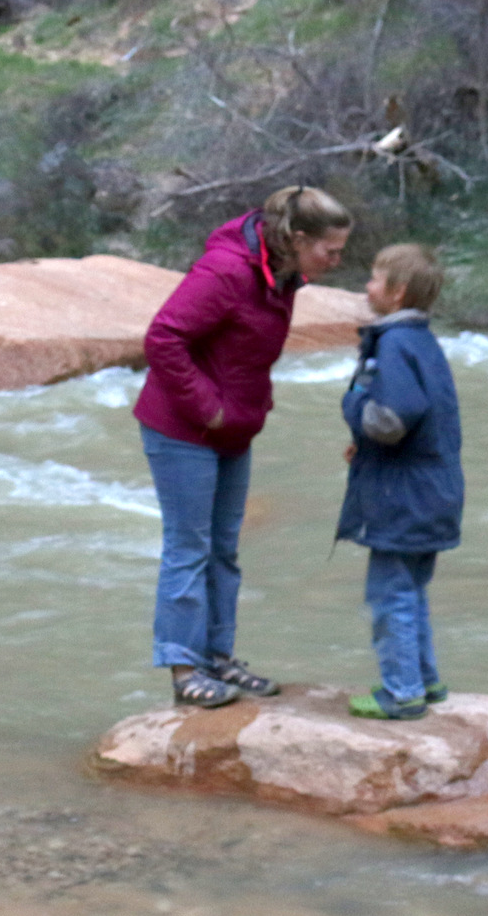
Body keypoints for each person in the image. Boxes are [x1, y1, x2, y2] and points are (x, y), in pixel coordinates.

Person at [135, 185, 353, 707]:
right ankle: (184, 670)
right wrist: (209, 407)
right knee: (189, 547)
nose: (337, 261)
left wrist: (240, 412)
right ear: (297, 238)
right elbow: (163, 337)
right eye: (330, 250)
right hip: (182, 427)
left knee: (224, 549)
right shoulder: (227, 271)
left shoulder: (283, 276)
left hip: (233, 428)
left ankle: (217, 659)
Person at [337, 244, 463, 721]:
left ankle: (402, 691)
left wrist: (354, 409)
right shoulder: (422, 341)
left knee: (390, 594)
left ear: (397, 291)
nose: (367, 286)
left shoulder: (393, 344)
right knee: (411, 589)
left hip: (403, 497)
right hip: (433, 489)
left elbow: (391, 419)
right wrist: (364, 444)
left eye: (374, 277)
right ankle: (424, 681)